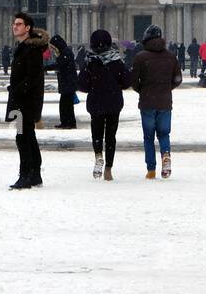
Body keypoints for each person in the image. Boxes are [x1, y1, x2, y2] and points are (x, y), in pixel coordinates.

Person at [128, 24, 182, 179]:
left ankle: (151, 169)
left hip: (147, 103)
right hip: (165, 102)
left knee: (148, 137)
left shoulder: (140, 57)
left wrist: (143, 90)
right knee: (164, 134)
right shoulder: (171, 56)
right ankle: (166, 155)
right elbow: (178, 79)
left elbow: (133, 81)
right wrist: (167, 88)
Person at [77, 29, 129, 181]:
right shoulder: (117, 61)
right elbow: (126, 81)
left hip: (96, 103)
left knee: (97, 133)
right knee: (111, 136)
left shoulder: (90, 62)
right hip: (113, 103)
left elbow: (82, 85)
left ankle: (98, 154)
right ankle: (108, 169)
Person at [5, 12, 50, 190]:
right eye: (14, 23)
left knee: (23, 137)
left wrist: (16, 90)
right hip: (23, 100)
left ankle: (25, 175)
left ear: (27, 28)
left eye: (19, 24)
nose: (15, 26)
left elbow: (33, 78)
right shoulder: (25, 47)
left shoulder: (31, 50)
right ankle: (35, 174)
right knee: (28, 136)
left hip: (25, 102)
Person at [51, 34, 77, 129]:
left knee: (66, 105)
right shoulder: (64, 52)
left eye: (54, 47)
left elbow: (59, 64)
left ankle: (69, 122)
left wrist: (44, 67)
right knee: (65, 104)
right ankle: (66, 122)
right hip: (67, 83)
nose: (53, 49)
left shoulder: (66, 53)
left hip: (68, 83)